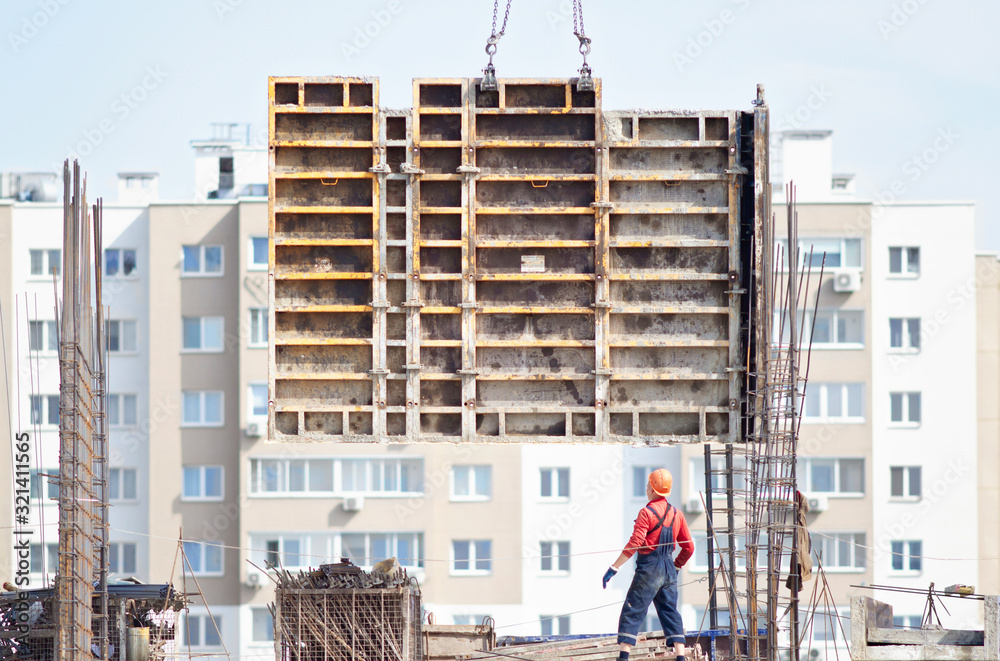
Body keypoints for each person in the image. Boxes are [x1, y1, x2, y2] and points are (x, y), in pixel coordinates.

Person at [602, 468, 693, 661]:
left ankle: (624, 657)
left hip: (649, 568)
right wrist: (676, 566)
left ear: (652, 489)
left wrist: (614, 567)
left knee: (633, 607)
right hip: (668, 567)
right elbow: (689, 548)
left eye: (647, 485)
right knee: (670, 611)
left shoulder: (646, 512)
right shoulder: (678, 514)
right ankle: (680, 657)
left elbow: (635, 542)